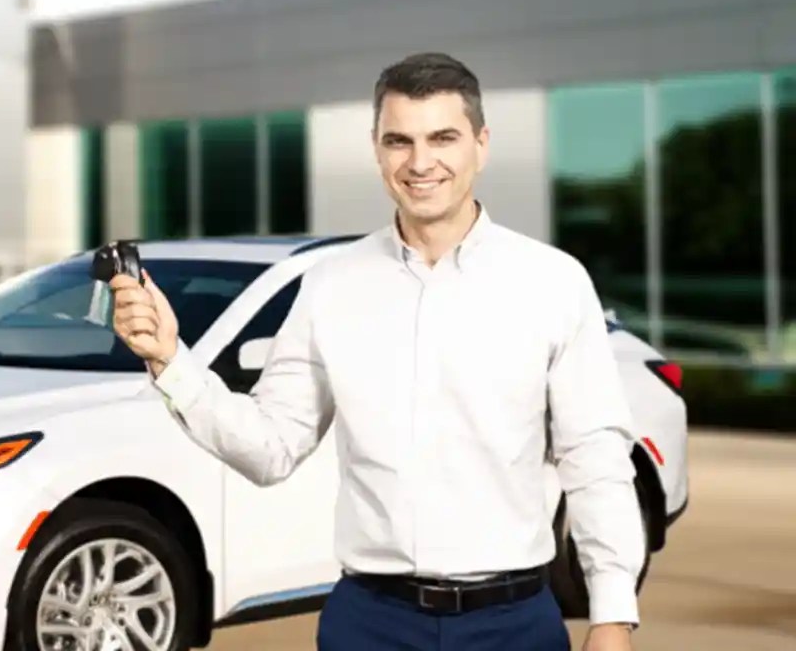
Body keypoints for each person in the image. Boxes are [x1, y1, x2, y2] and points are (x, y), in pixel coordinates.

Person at [108, 52, 644, 651]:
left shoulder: (552, 282)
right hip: (371, 623)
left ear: (481, 144)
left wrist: (612, 616)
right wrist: (171, 360)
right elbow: (272, 447)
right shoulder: (332, 285)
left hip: (514, 622)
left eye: (443, 137)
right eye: (399, 141)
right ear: (376, 149)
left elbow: (593, 458)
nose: (420, 162)